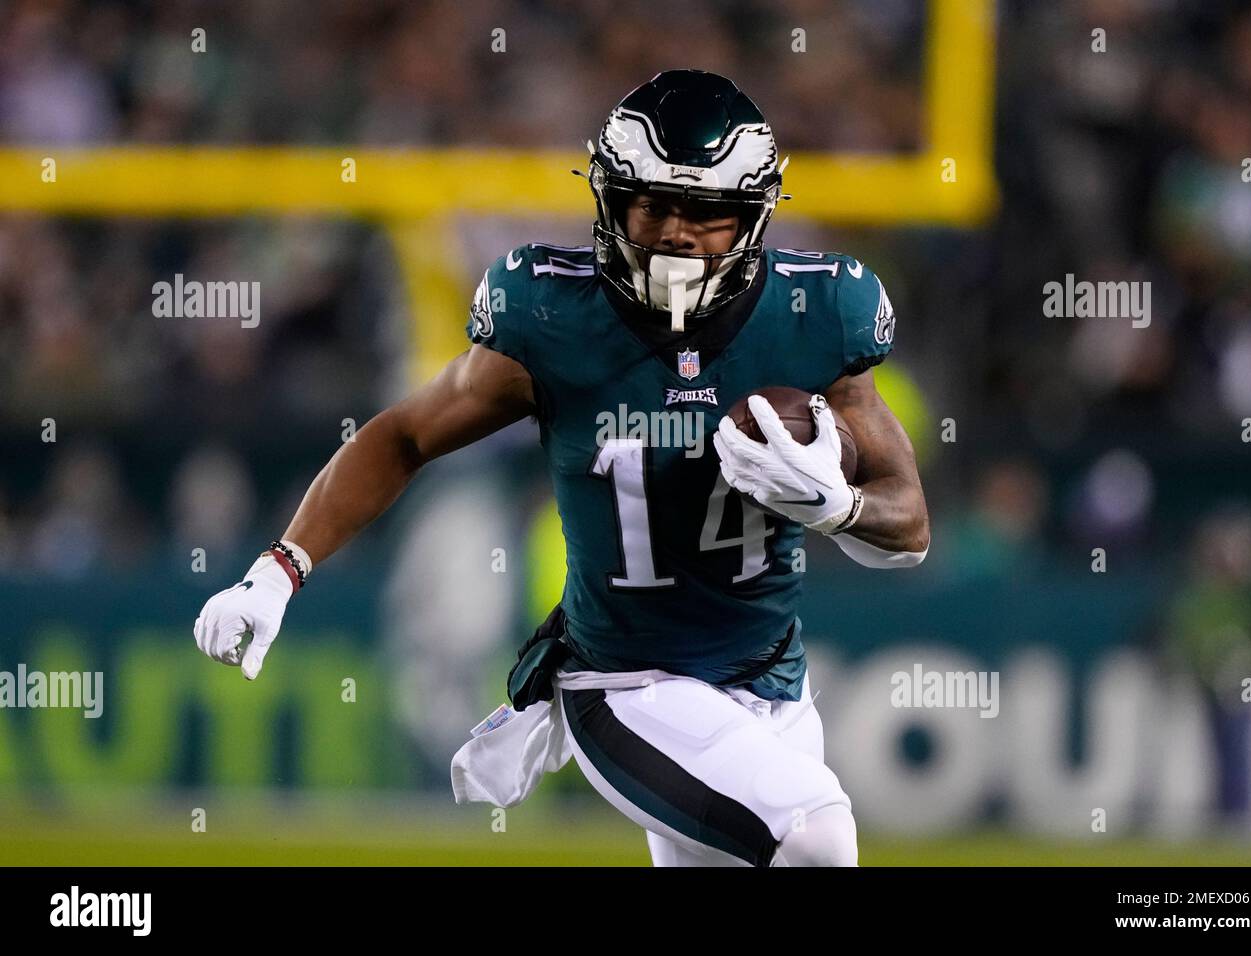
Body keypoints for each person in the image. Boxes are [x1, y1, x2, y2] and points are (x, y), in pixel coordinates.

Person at [194, 70, 929, 866]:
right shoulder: (550, 314)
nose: (678, 234)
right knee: (817, 837)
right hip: (626, 687)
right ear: (610, 203)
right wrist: (280, 568)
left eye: (705, 212)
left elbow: (910, 526)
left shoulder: (817, 316)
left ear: (752, 216)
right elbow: (403, 435)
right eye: (653, 204)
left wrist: (835, 506)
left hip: (773, 685)